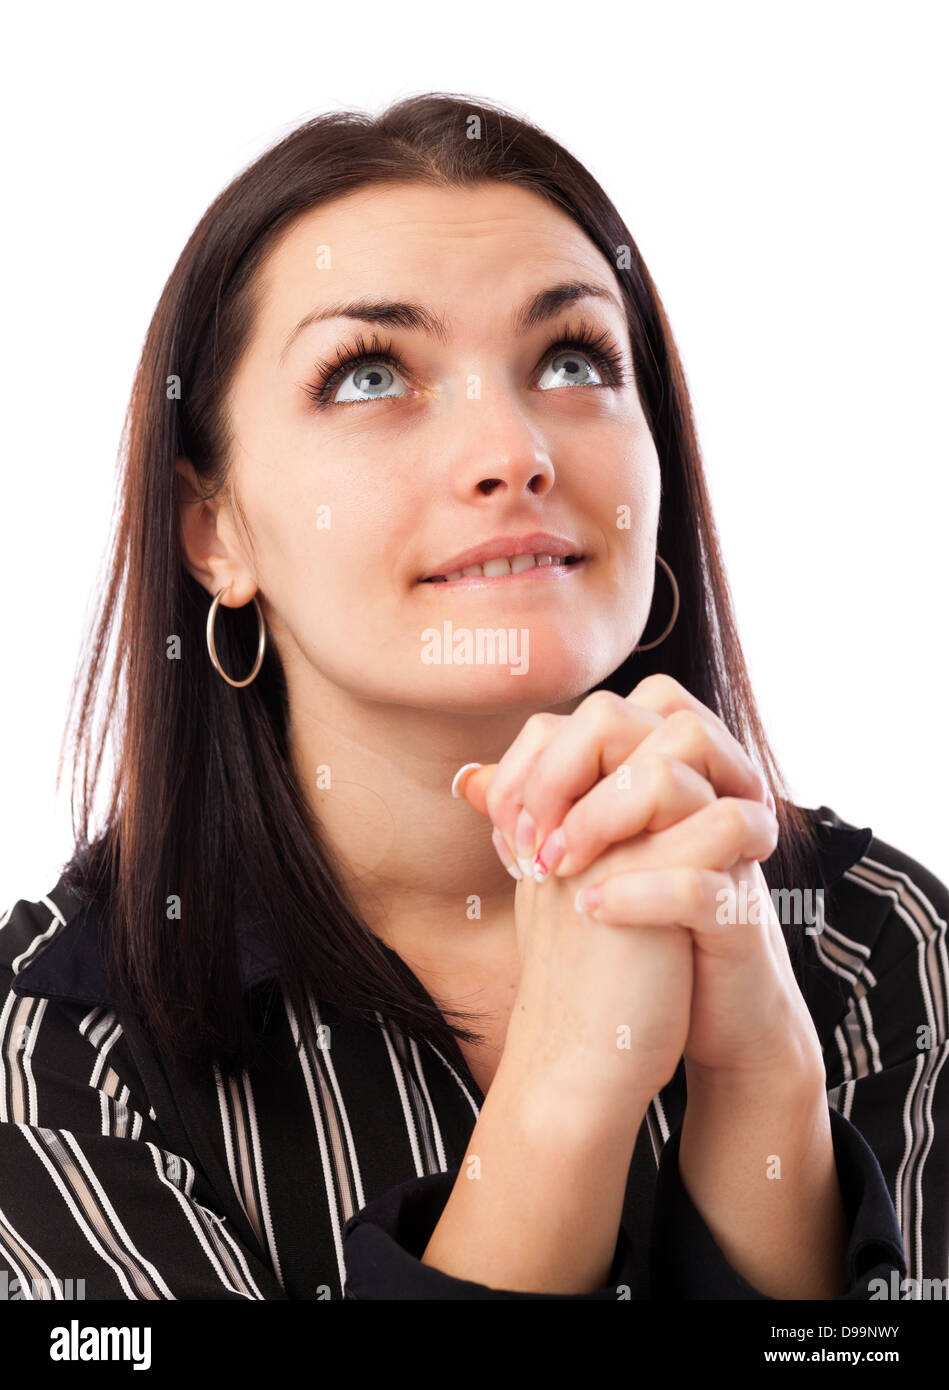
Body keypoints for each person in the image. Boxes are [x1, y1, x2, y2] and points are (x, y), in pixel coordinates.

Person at [1, 92, 945, 1301]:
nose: (511, 449)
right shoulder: (56, 1050)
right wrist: (560, 1101)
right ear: (212, 529)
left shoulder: (885, 952)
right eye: (369, 374)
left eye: (571, 360)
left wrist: (763, 1084)